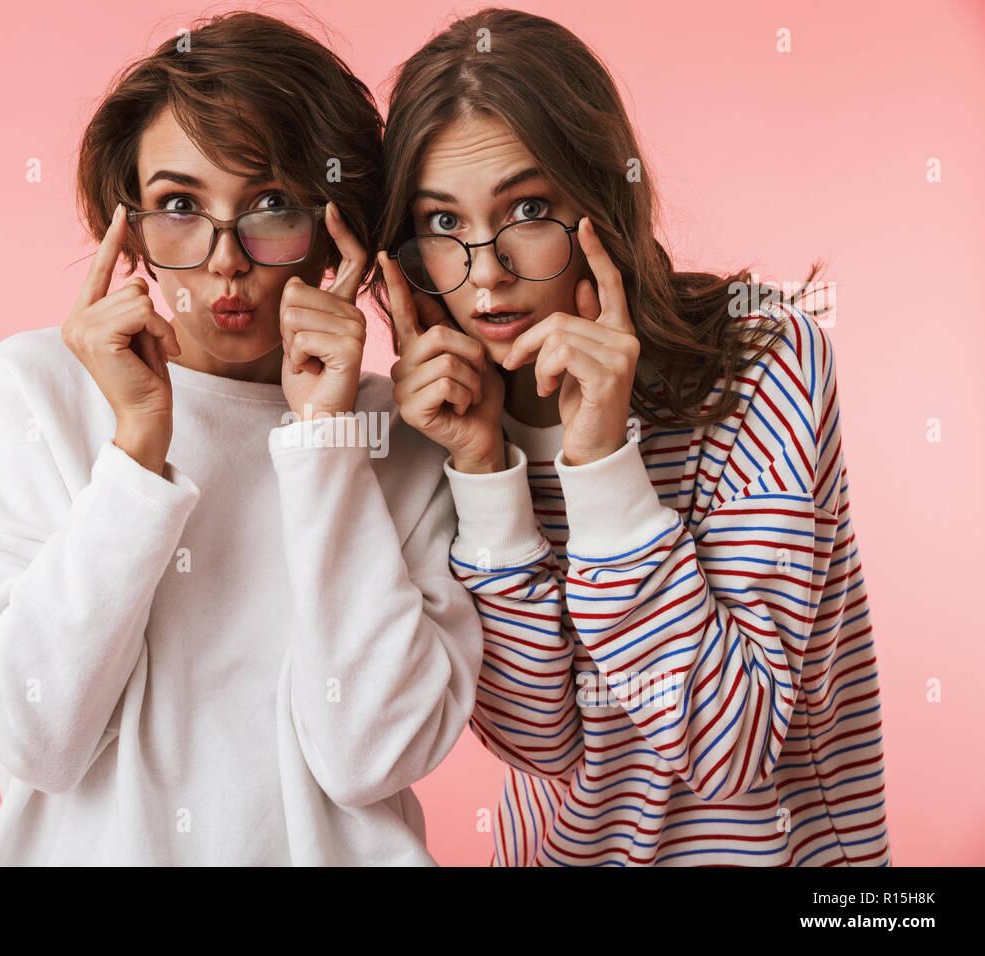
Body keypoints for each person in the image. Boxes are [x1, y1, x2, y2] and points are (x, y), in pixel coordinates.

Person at [0, 11, 483, 865]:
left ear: (339, 231)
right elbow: (36, 738)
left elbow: (369, 757)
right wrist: (138, 448)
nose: (225, 260)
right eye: (179, 206)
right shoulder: (36, 390)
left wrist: (325, 442)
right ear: (130, 231)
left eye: (270, 205)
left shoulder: (404, 438)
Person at [370, 7, 890, 866]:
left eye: (528, 208)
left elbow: (729, 748)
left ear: (603, 201)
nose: (488, 271)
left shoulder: (764, 355)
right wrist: (484, 472)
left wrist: (605, 465)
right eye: (442, 223)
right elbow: (543, 745)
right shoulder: (440, 417)